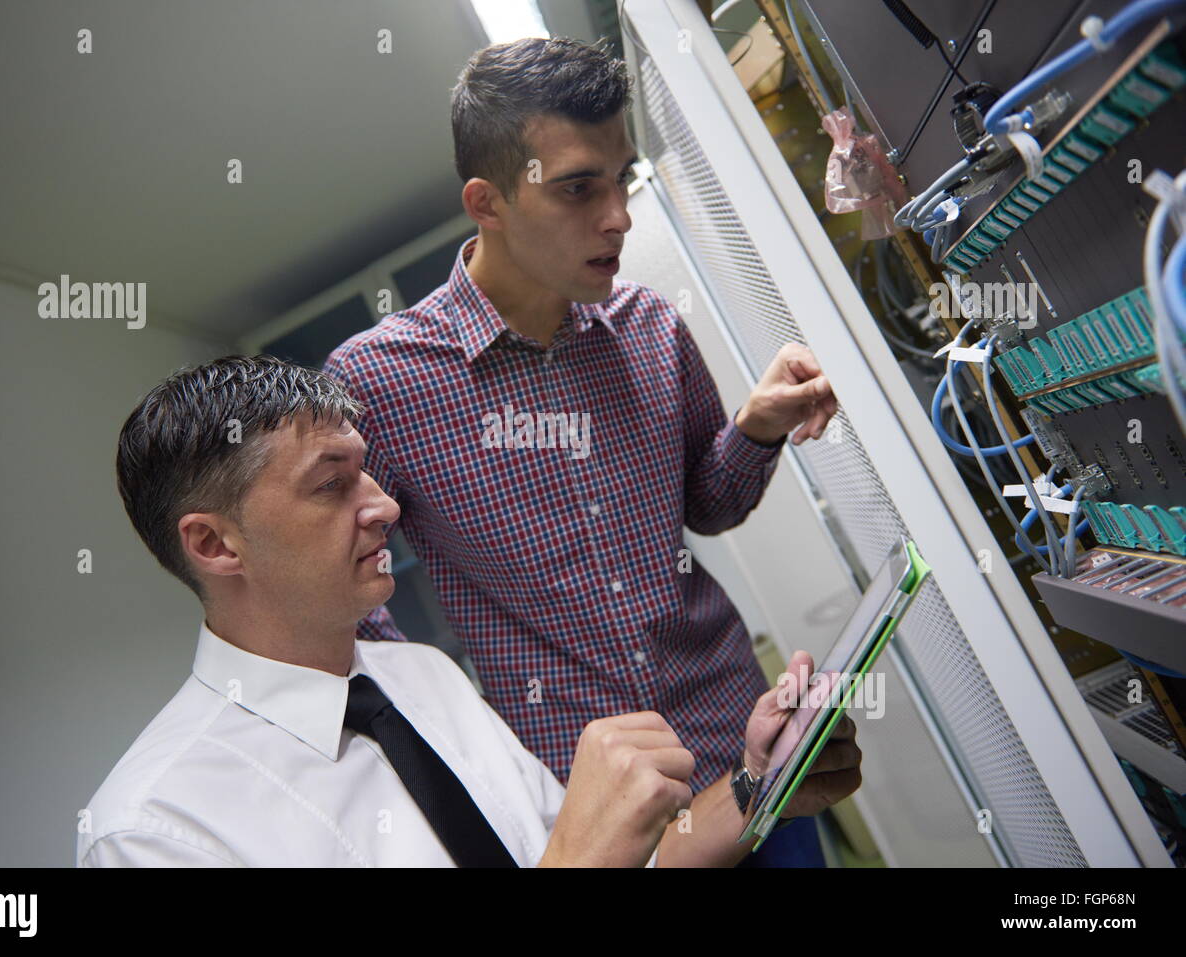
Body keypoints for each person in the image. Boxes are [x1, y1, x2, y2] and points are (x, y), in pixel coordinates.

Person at [322, 37, 840, 866]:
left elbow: (708, 504)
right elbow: (350, 601)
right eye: (577, 189)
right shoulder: (376, 379)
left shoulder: (650, 326)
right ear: (487, 202)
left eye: (621, 178)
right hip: (594, 805)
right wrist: (453, 728)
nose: (619, 216)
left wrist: (756, 428)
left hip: (748, 746)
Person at [77, 356, 861, 867]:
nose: (383, 504)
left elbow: (631, 859)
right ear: (216, 544)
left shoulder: (423, 676)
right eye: (331, 484)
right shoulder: (156, 829)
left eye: (368, 473)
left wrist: (760, 780)